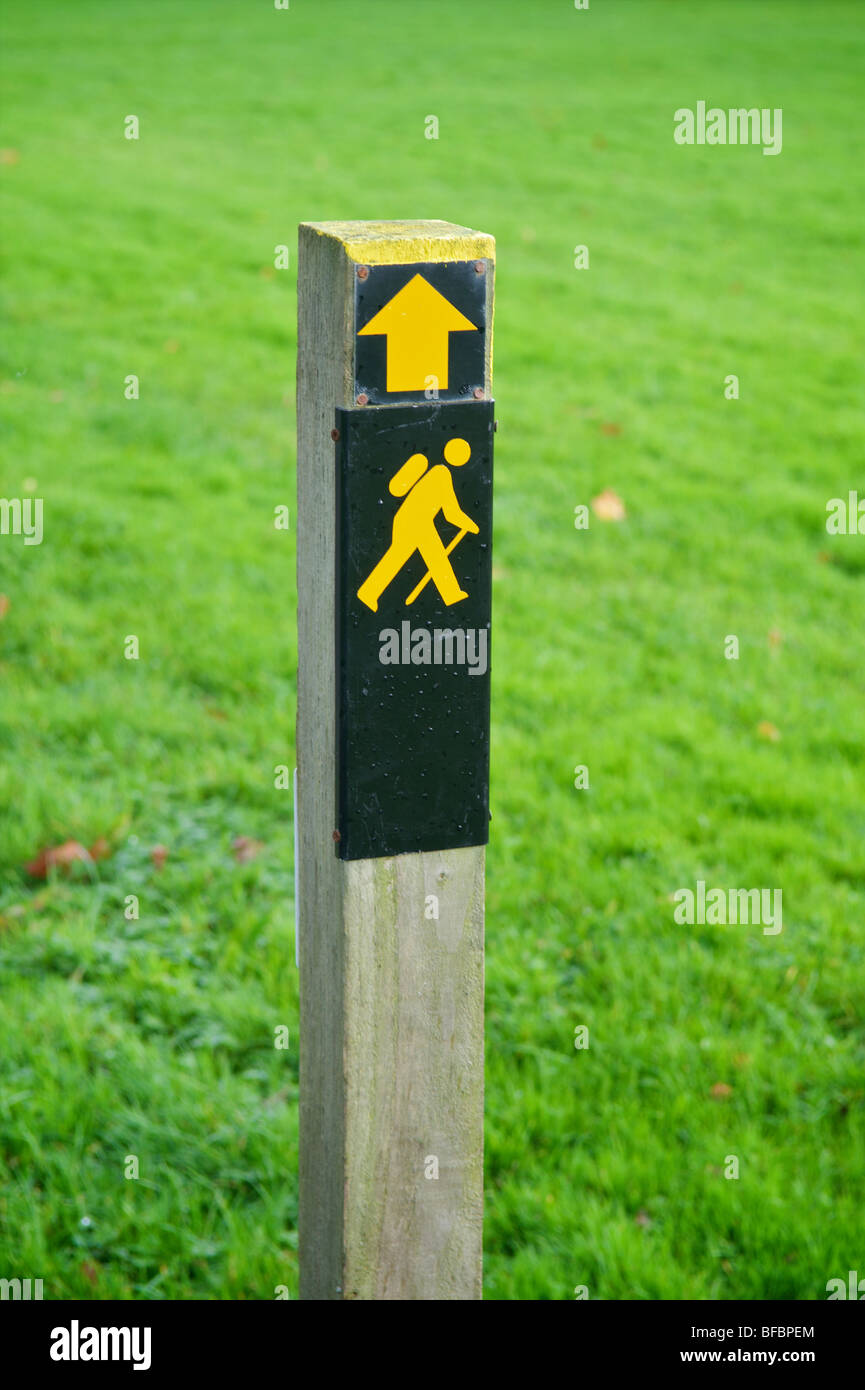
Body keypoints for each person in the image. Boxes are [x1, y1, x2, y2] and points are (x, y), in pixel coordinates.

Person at [357, 437, 478, 612]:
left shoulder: (438, 472)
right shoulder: (441, 474)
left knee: (410, 557)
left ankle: (368, 592)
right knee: (430, 556)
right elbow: (451, 513)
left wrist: (469, 524)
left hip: (412, 520)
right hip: (415, 521)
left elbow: (450, 511)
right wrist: (471, 525)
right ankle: (451, 594)